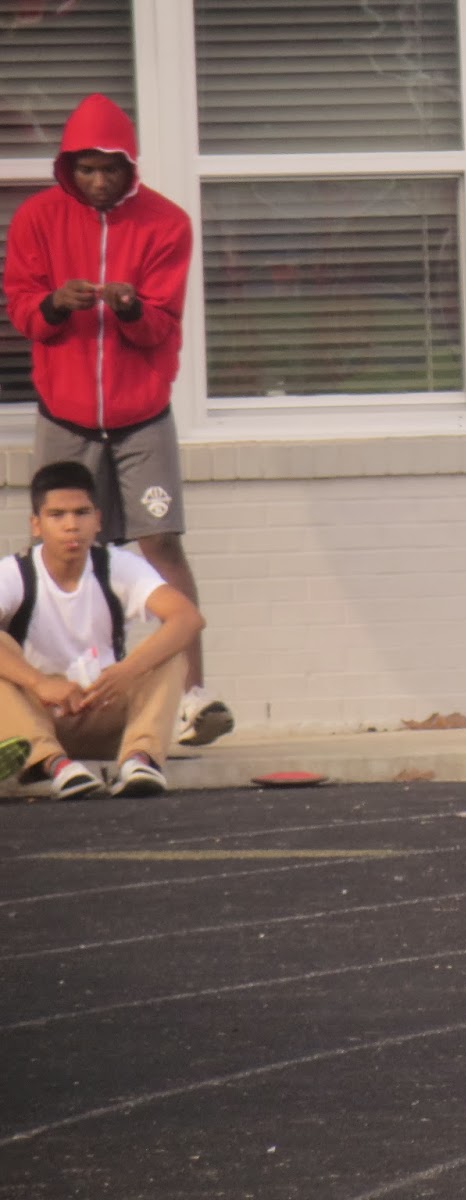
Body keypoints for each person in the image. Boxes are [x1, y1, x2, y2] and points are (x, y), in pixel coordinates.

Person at [2, 91, 233, 748]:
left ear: (131, 167)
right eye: (85, 168)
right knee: (62, 548)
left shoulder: (165, 223)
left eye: (110, 168)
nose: (98, 181)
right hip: (66, 417)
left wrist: (129, 307)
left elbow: (163, 326)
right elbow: (21, 312)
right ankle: (51, 685)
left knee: (160, 545)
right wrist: (55, 304)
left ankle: (191, 696)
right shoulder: (38, 220)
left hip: (141, 417)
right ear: (66, 166)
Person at [0, 460, 203, 799]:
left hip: (103, 707)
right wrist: (40, 683)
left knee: (170, 652)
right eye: (57, 515)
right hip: (36, 714)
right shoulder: (14, 573)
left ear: (98, 521)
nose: (71, 526)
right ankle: (54, 766)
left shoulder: (117, 565)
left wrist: (127, 671)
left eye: (81, 514)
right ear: (36, 525)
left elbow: (188, 618)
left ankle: (140, 761)